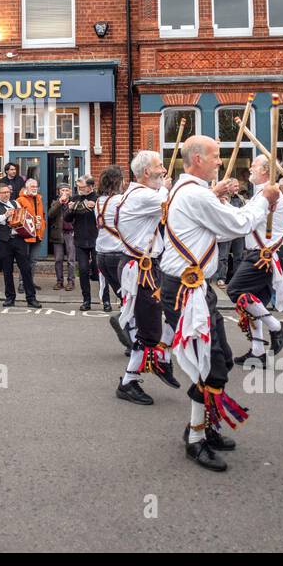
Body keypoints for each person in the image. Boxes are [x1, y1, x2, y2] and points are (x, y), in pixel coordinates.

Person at [161, 136, 278, 472]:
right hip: (187, 291)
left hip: (195, 288)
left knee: (221, 358)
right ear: (197, 159)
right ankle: (195, 438)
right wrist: (263, 198)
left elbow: (223, 230)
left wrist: (222, 199)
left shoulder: (191, 192)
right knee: (208, 363)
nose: (219, 161)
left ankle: (207, 426)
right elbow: (238, 225)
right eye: (215, 156)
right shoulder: (195, 193)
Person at [110, 151, 175, 405]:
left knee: (167, 315)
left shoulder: (139, 194)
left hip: (144, 266)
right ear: (146, 172)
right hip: (140, 269)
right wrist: (167, 189)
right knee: (150, 329)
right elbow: (170, 202)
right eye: (160, 167)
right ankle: (129, 381)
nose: (164, 171)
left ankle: (161, 360)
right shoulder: (143, 196)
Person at [228, 155, 283, 369]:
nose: (250, 169)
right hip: (261, 253)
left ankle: (277, 327)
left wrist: (223, 208)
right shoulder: (263, 193)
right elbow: (245, 215)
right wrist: (223, 204)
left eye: (254, 165)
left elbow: (244, 221)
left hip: (264, 256)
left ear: (266, 170)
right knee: (252, 301)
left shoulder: (270, 193)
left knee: (235, 291)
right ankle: (257, 352)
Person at [0, 179, 40, 309]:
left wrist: (34, 224)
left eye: (8, 192)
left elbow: (24, 219)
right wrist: (4, 216)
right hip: (4, 241)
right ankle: (10, 298)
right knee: (7, 270)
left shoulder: (15, 203)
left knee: (26, 269)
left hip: (19, 239)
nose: (6, 194)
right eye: (3, 192)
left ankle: (31, 298)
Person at [91, 168, 126, 314]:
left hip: (101, 255)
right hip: (117, 253)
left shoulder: (99, 201)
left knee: (122, 294)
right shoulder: (120, 201)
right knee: (128, 296)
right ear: (117, 182)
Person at [68, 174, 102, 313]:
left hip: (96, 240)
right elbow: (68, 219)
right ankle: (86, 301)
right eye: (78, 187)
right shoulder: (75, 199)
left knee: (99, 271)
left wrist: (94, 208)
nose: (80, 190)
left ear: (91, 186)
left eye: (82, 187)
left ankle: (105, 300)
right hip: (80, 240)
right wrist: (71, 209)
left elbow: (103, 217)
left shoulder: (98, 199)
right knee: (82, 271)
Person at [47, 183, 75, 291]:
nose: (64, 192)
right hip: (57, 233)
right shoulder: (55, 203)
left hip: (70, 233)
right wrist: (59, 202)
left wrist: (71, 207)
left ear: (70, 192)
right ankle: (59, 282)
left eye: (67, 190)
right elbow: (50, 215)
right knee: (58, 259)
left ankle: (71, 282)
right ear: (59, 192)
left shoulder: (73, 202)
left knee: (71, 260)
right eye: (62, 190)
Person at [17, 178, 46, 281]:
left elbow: (42, 215)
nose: (35, 188)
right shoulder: (20, 200)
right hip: (25, 236)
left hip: (37, 234)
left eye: (36, 186)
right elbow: (18, 218)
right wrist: (33, 223)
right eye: (32, 186)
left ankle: (30, 283)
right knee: (24, 260)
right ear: (26, 187)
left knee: (33, 261)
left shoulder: (39, 198)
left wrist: (42, 226)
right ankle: (22, 283)